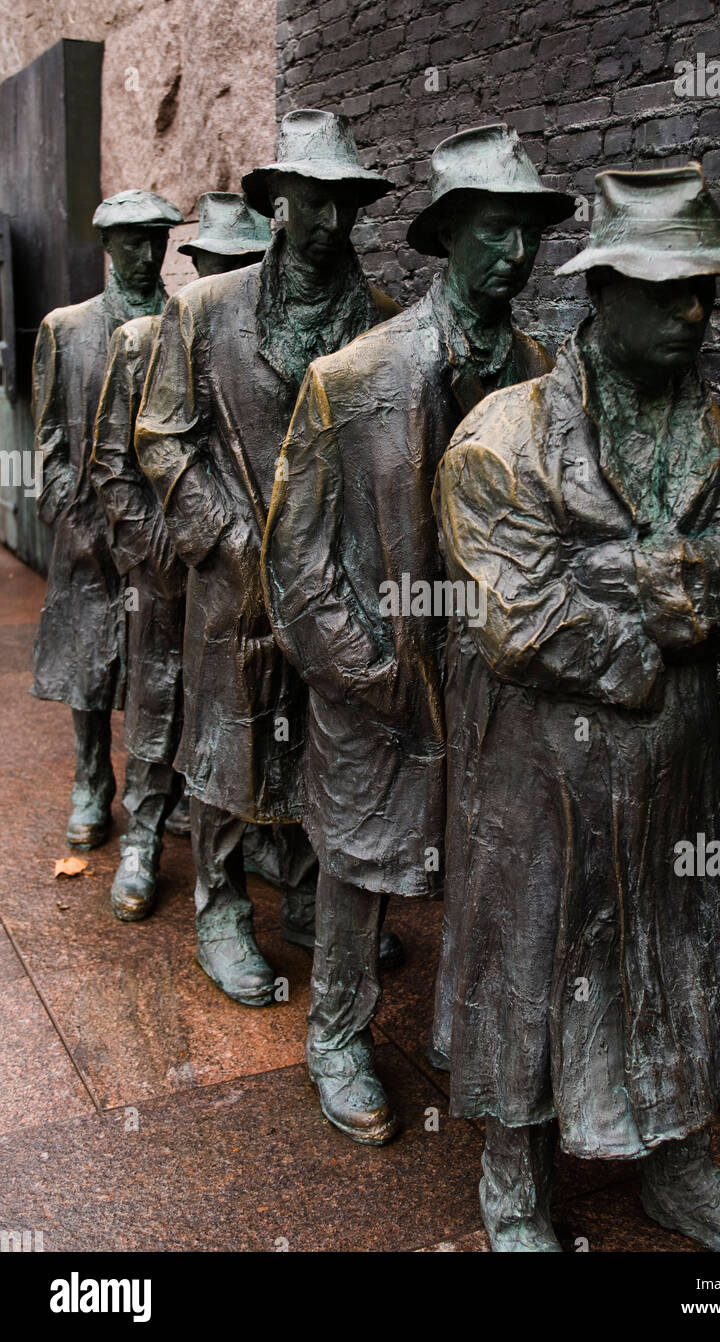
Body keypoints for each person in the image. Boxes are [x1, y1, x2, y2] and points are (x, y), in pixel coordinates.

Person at [432, 163, 720, 1252]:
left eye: (704, 292)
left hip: (678, 772)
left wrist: (643, 571)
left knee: (677, 957)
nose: (693, 312)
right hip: (540, 775)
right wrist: (678, 620)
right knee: (531, 958)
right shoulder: (501, 438)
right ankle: (512, 1172)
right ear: (601, 294)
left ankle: (677, 1159)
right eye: (666, 289)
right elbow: (518, 621)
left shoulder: (707, 428)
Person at [262, 123, 574, 1144]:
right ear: (447, 237)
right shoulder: (351, 376)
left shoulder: (545, 375)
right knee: (358, 861)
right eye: (494, 230)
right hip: (379, 673)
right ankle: (337, 1031)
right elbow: (295, 555)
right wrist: (364, 667)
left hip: (496, 678)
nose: (514, 255)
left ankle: (454, 1021)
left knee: (481, 854)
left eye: (527, 232)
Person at [136, 113, 398, 1005]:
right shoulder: (207, 310)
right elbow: (162, 439)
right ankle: (219, 909)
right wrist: (231, 543)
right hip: (236, 585)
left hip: (339, 588)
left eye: (345, 204)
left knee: (327, 749)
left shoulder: (383, 326)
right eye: (313, 202)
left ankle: (304, 895)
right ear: (276, 204)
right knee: (225, 750)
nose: (330, 221)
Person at [90, 194, 271, 919]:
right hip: (170, 570)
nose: (232, 281)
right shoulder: (143, 340)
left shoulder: (266, 343)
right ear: (196, 267)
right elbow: (113, 466)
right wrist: (167, 559)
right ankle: (141, 835)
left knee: (235, 710)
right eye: (220, 266)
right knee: (158, 694)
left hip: (238, 573)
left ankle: (241, 843)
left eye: (246, 267)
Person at [32, 189, 181, 849]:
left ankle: (162, 792)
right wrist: (71, 508)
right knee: (89, 665)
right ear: (108, 247)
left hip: (160, 533)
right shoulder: (66, 328)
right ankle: (92, 782)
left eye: (157, 240)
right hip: (88, 533)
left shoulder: (184, 322)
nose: (147, 254)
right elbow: (49, 443)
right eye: (133, 242)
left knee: (159, 669)